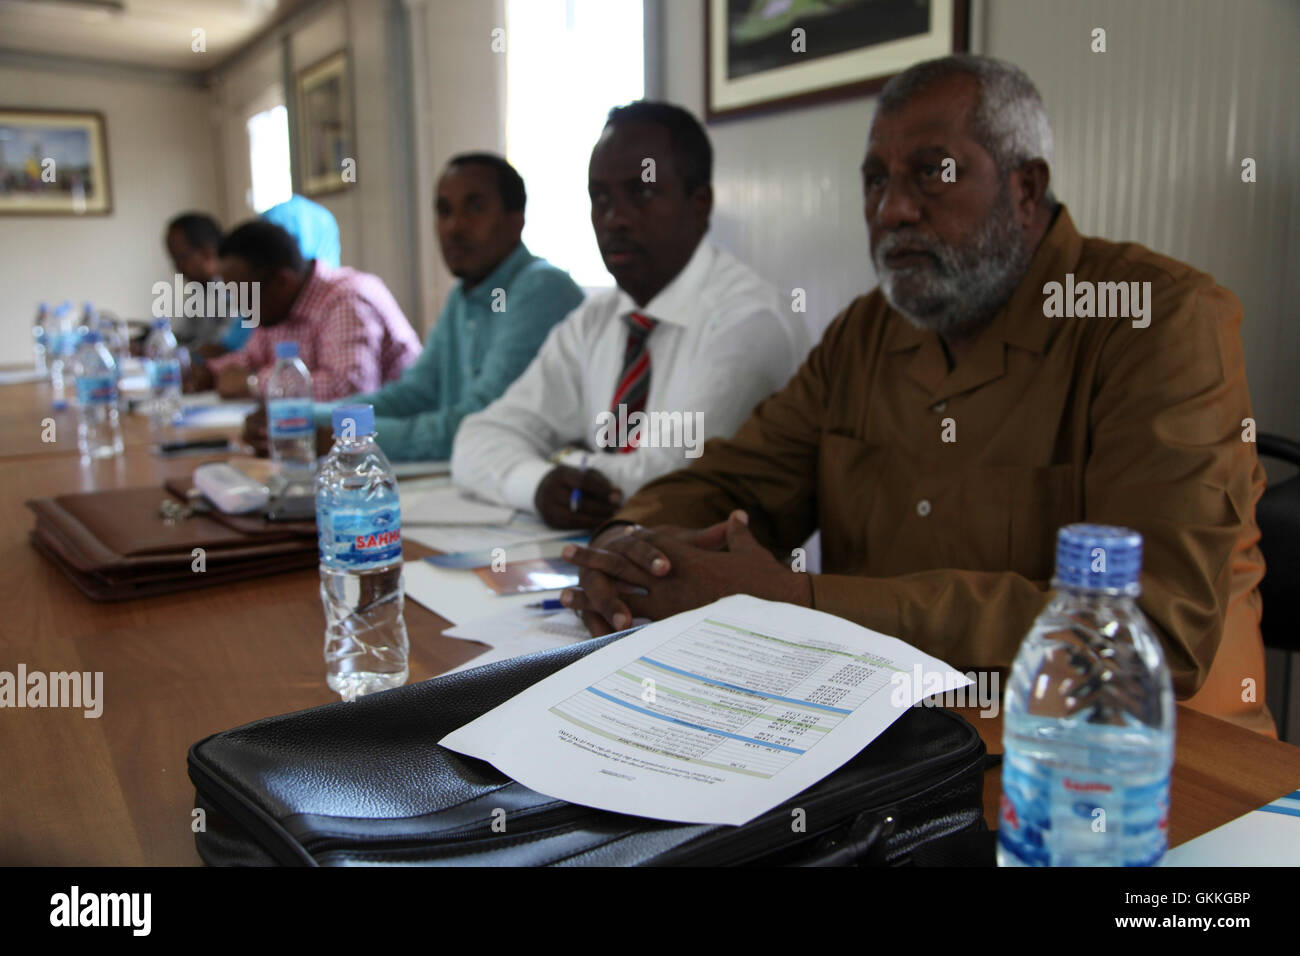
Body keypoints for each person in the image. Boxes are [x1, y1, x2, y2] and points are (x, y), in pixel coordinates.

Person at [561, 55, 1273, 736]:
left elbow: (1151, 627)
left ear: (1025, 191)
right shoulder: (866, 332)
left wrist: (802, 604)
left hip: (1135, 768)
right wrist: (630, 545)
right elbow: (737, 478)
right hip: (893, 742)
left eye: (933, 173)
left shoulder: (1155, 320)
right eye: (874, 181)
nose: (893, 208)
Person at [450, 101, 809, 529]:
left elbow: (669, 475)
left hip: (726, 583)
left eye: (642, 192)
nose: (614, 218)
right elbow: (477, 437)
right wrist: (539, 484)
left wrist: (562, 461)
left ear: (700, 203)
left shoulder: (751, 321)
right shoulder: (595, 320)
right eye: (599, 198)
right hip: (601, 564)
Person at [245, 155, 585, 461]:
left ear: (516, 221)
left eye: (476, 208)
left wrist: (347, 435)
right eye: (444, 211)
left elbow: (481, 420)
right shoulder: (464, 295)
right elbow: (414, 394)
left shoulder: (541, 289)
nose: (454, 227)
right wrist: (301, 417)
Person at [191, 220, 421, 400]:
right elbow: (251, 359)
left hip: (391, 443)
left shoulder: (347, 299)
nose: (242, 309)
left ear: (282, 281)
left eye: (245, 297)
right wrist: (211, 373)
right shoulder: (275, 308)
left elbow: (349, 391)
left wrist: (253, 383)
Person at [163, 212, 229, 352]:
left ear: (207, 253)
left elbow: (217, 348)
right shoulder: (200, 290)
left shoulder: (234, 292)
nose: (178, 268)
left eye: (181, 258)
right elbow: (183, 336)